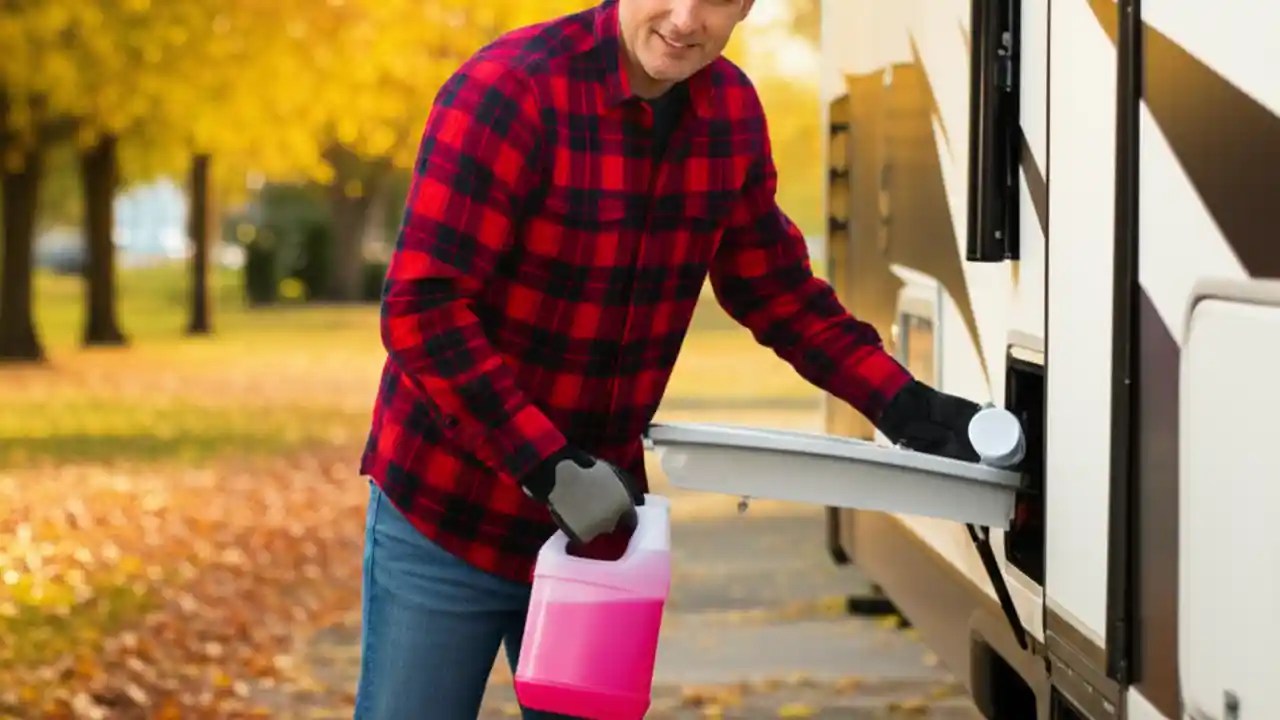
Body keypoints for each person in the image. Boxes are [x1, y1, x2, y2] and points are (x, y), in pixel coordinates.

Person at [354, 0, 983, 717]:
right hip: (448, 514)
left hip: (597, 533)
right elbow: (421, 309)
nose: (685, 20)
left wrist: (909, 409)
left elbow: (775, 291)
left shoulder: (731, 114)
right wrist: (545, 463)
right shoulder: (510, 92)